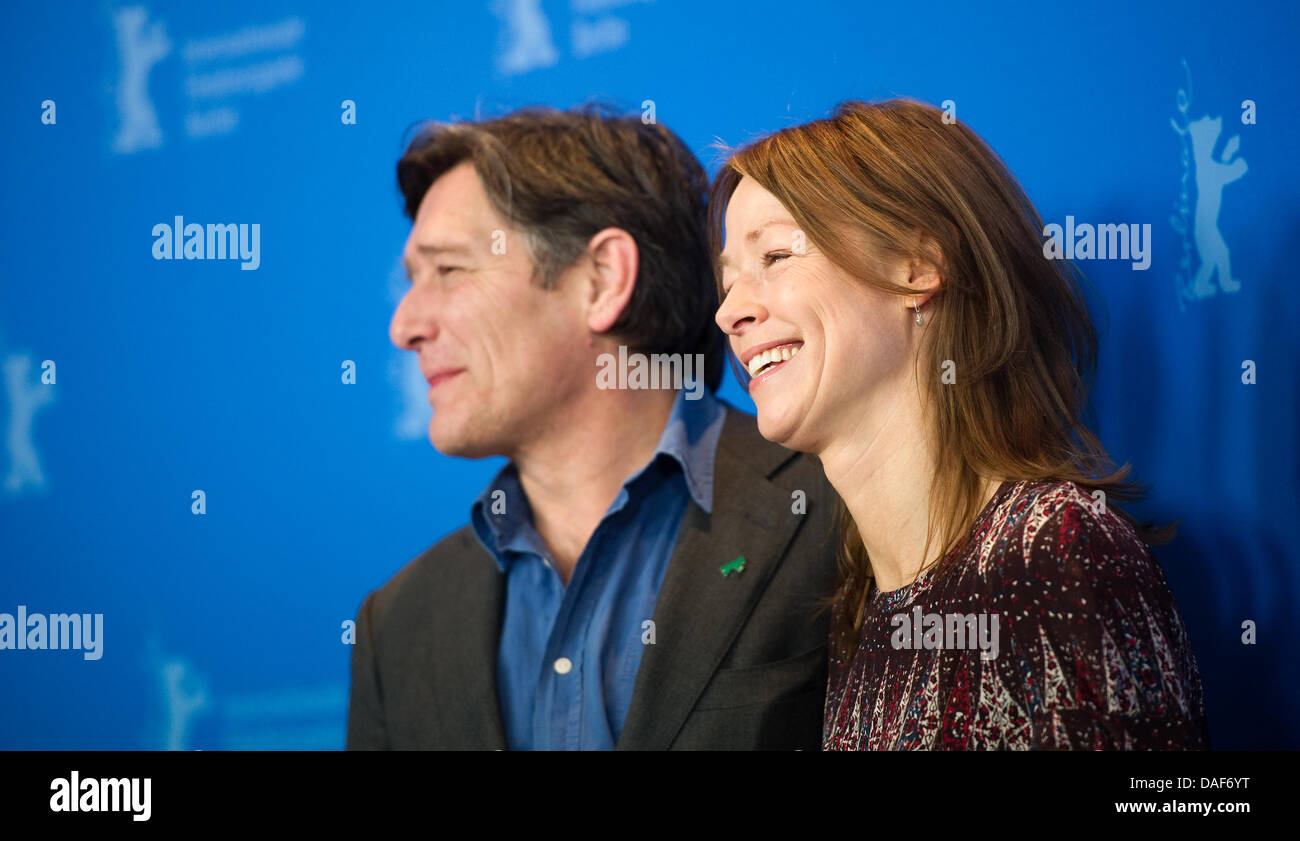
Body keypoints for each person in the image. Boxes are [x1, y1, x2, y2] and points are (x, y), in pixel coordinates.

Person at [711, 98, 1210, 750]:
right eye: (727, 282)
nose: (729, 314)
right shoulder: (859, 603)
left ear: (916, 266)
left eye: (775, 256)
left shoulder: (1051, 553)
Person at [346, 104, 839, 750]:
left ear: (603, 279)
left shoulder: (838, 515)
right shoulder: (398, 624)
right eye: (412, 280)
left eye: (449, 270)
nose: (404, 326)